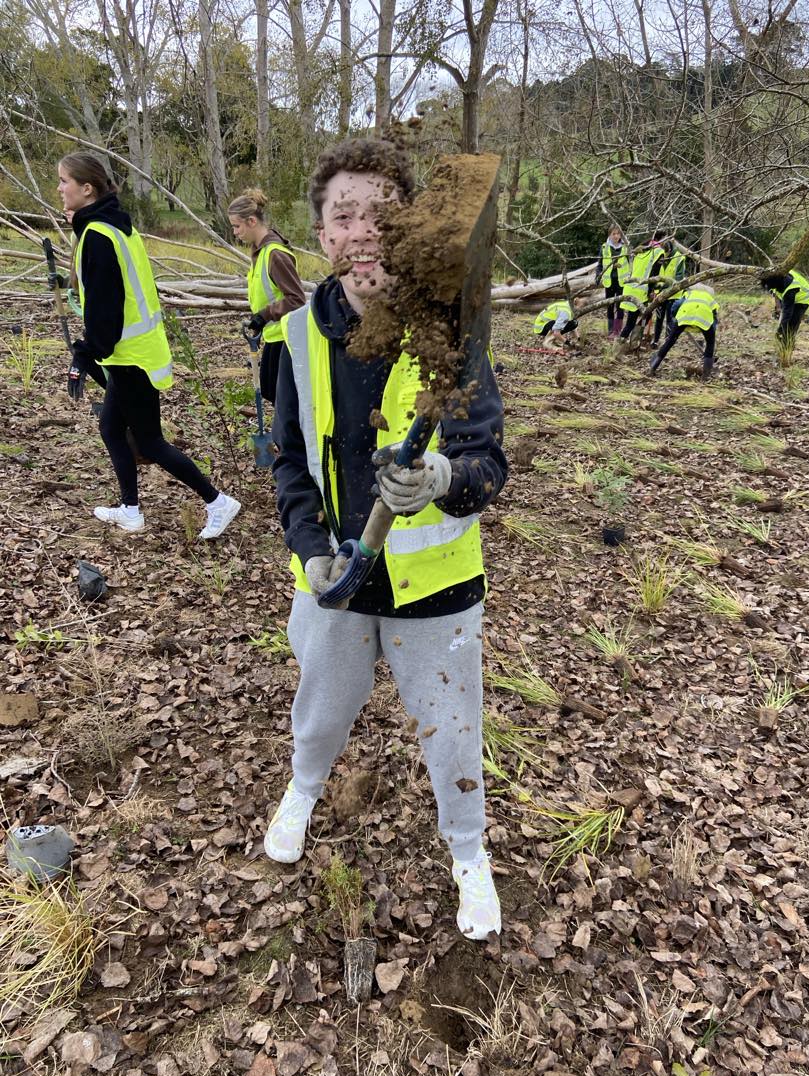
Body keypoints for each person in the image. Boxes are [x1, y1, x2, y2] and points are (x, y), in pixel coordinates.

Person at [267, 137, 508, 941]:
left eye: (382, 214)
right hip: (336, 574)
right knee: (322, 707)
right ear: (322, 235)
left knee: (454, 726)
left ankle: (468, 852)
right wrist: (310, 549)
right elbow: (290, 462)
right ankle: (303, 788)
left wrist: (442, 480)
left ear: (411, 229)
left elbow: (488, 461)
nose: (363, 231)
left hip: (435, 586)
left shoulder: (449, 328)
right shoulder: (299, 336)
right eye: (345, 215)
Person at [55, 153, 240, 538]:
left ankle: (217, 502)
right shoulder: (113, 225)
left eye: (63, 182)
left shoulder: (99, 236)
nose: (59, 189)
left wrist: (88, 349)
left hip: (131, 355)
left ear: (86, 189)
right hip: (133, 350)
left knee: (150, 441)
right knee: (110, 427)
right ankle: (130, 509)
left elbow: (106, 305)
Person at [228, 188, 306, 404]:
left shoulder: (275, 254)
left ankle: (291, 437)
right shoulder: (259, 251)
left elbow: (296, 300)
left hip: (286, 337)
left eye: (237, 226)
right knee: (271, 390)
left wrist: (264, 315)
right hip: (274, 335)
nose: (235, 232)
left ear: (252, 221)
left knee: (283, 396)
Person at [649, 282, 719, 379]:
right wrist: (712, 330)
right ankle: (705, 375)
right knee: (710, 343)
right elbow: (714, 316)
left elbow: (676, 306)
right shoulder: (710, 298)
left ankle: (653, 367)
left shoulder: (688, 294)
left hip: (684, 316)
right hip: (704, 319)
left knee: (670, 341)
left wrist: (675, 320)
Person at [619, 234, 666, 343]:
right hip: (641, 291)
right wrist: (653, 291)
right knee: (635, 320)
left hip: (630, 288)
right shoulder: (658, 252)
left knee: (645, 315)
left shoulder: (641, 251)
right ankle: (623, 344)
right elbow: (654, 275)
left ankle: (633, 340)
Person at [760, 269, 809, 349]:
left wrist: (780, 330)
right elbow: (775, 293)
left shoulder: (790, 288)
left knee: (792, 323)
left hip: (803, 298)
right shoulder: (772, 277)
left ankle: (788, 347)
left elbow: (787, 312)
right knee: (785, 322)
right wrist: (778, 307)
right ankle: (781, 345)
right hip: (787, 295)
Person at [594, 226, 630, 337]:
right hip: (609, 281)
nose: (616, 236)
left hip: (621, 282)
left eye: (618, 234)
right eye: (613, 234)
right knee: (609, 305)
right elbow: (600, 264)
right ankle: (610, 330)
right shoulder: (604, 247)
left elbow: (630, 264)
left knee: (620, 306)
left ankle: (617, 330)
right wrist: (598, 276)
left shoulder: (625, 248)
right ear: (609, 234)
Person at [651, 240, 686, 347]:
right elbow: (656, 276)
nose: (662, 257)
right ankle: (655, 340)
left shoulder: (679, 258)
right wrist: (655, 291)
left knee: (670, 318)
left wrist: (665, 287)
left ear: (669, 250)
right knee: (659, 318)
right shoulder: (660, 257)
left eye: (664, 254)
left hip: (673, 294)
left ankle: (668, 341)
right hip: (660, 294)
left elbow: (678, 278)